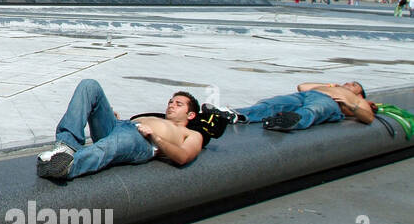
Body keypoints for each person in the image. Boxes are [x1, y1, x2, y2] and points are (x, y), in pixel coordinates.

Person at [36, 80, 203, 183]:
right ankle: (66, 146)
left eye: (178, 104)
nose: (171, 105)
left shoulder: (192, 135)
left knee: (110, 145)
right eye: (170, 102)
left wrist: (156, 137)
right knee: (90, 85)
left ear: (191, 114)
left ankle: (67, 167)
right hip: (121, 126)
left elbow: (183, 156)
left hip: (143, 141)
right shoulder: (160, 119)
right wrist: (114, 119)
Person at [215, 82, 374, 131]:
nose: (348, 83)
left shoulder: (356, 100)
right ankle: (237, 115)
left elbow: (368, 118)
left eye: (354, 85)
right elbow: (302, 87)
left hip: (331, 102)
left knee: (313, 111)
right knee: (271, 104)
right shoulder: (332, 86)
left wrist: (348, 104)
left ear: (360, 94)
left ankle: (287, 121)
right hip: (304, 95)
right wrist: (330, 85)